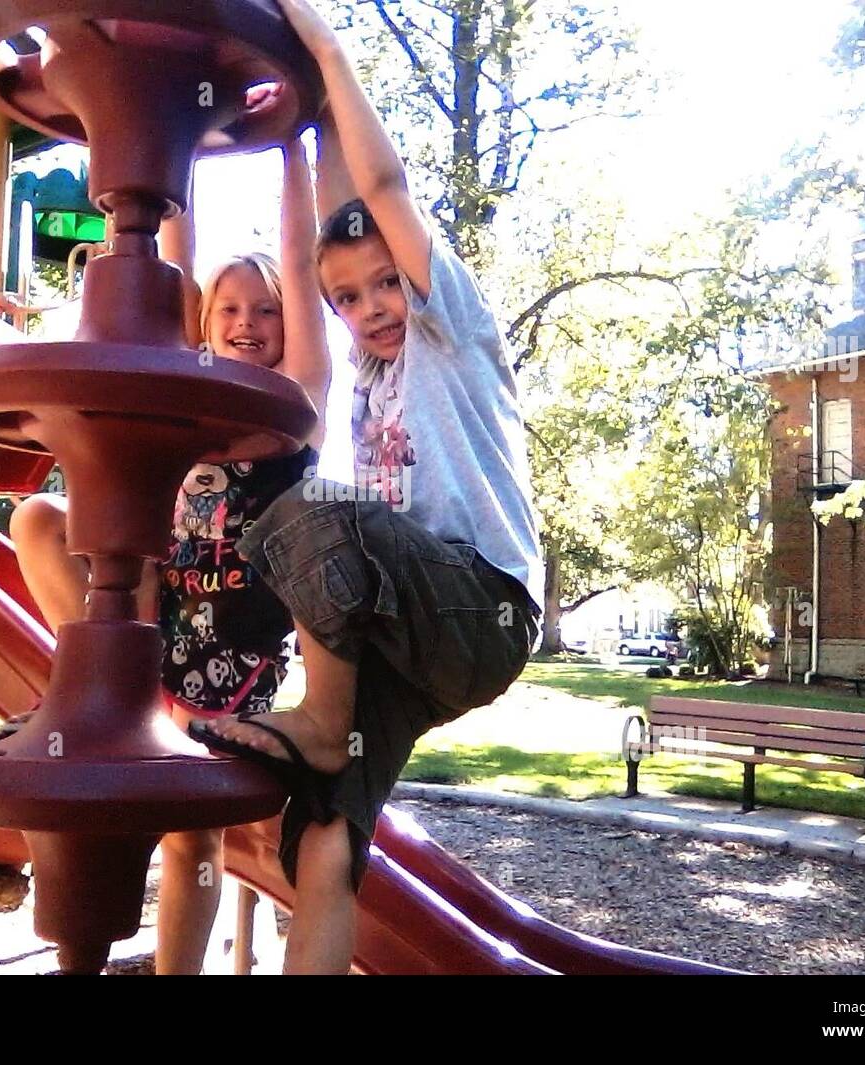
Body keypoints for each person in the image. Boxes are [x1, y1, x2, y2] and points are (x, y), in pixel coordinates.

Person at [188, 0, 543, 974]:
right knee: (321, 832)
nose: (368, 307)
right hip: (414, 636)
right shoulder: (363, 381)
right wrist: (296, 135)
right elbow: (324, 235)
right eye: (347, 298)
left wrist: (323, 51)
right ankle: (324, 744)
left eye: (384, 283)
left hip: (484, 606)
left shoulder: (449, 332)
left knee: (308, 509)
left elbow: (377, 186)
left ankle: (317, 721)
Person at [9, 139, 329, 974]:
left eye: (264, 311)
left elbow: (299, 259)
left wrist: (297, 148)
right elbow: (174, 254)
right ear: (202, 322)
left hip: (239, 665)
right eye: (229, 309)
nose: (247, 323)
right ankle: (103, 674)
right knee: (40, 518)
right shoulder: (180, 400)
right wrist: (162, 142)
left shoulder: (295, 404)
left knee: (194, 845)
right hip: (156, 630)